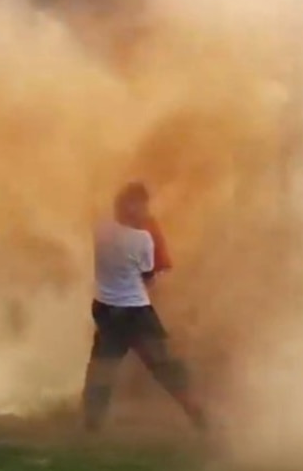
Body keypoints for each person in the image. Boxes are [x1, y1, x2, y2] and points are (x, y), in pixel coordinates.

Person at [82, 181, 209, 434]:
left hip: (105, 309)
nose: (145, 212)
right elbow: (149, 276)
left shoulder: (102, 230)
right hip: (135, 311)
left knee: (102, 368)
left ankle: (91, 425)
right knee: (165, 365)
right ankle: (197, 414)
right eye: (141, 206)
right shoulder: (142, 239)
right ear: (129, 207)